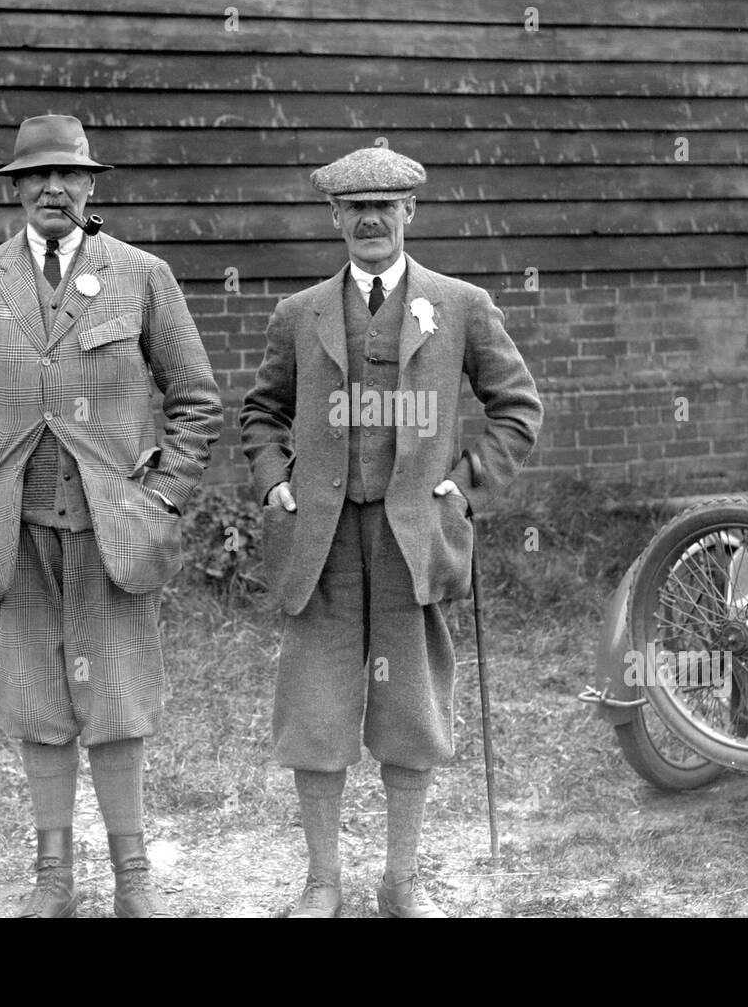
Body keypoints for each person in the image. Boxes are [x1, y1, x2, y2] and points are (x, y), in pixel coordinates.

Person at [0, 114, 223, 918]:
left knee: (117, 698)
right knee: (37, 701)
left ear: (91, 186)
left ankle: (133, 876)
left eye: (69, 176)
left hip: (113, 527)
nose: (53, 188)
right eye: (36, 177)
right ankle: (54, 876)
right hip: (12, 529)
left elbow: (195, 400)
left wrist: (162, 495)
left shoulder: (143, 274)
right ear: (14, 189)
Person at [240, 146, 542, 917]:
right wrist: (275, 478)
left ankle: (400, 880)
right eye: (355, 206)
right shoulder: (299, 313)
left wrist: (465, 485)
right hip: (323, 539)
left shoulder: (460, 304)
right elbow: (262, 413)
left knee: (409, 704)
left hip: (412, 536)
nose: (370, 218)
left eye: (386, 204)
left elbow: (518, 407)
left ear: (411, 211)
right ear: (334, 216)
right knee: (315, 704)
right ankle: (322, 882)